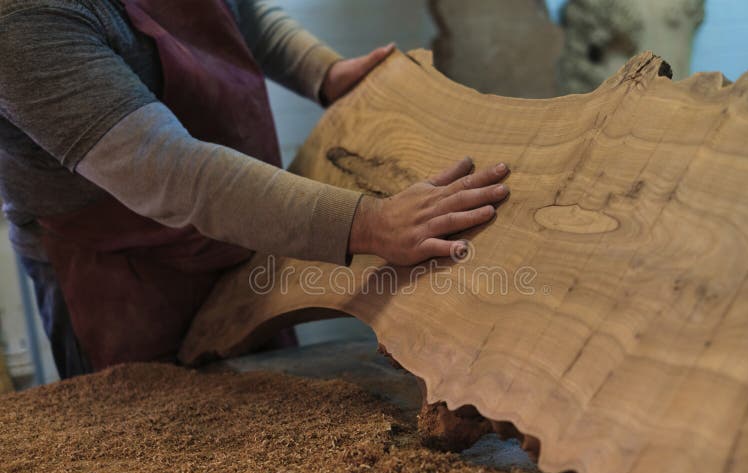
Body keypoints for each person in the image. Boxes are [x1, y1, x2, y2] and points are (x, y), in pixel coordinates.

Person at [0, 0, 510, 379]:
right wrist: (370, 223)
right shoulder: (20, 18)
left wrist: (324, 72)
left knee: (273, 405)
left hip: (236, 227)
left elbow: (238, 12)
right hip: (118, 270)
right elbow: (166, 170)